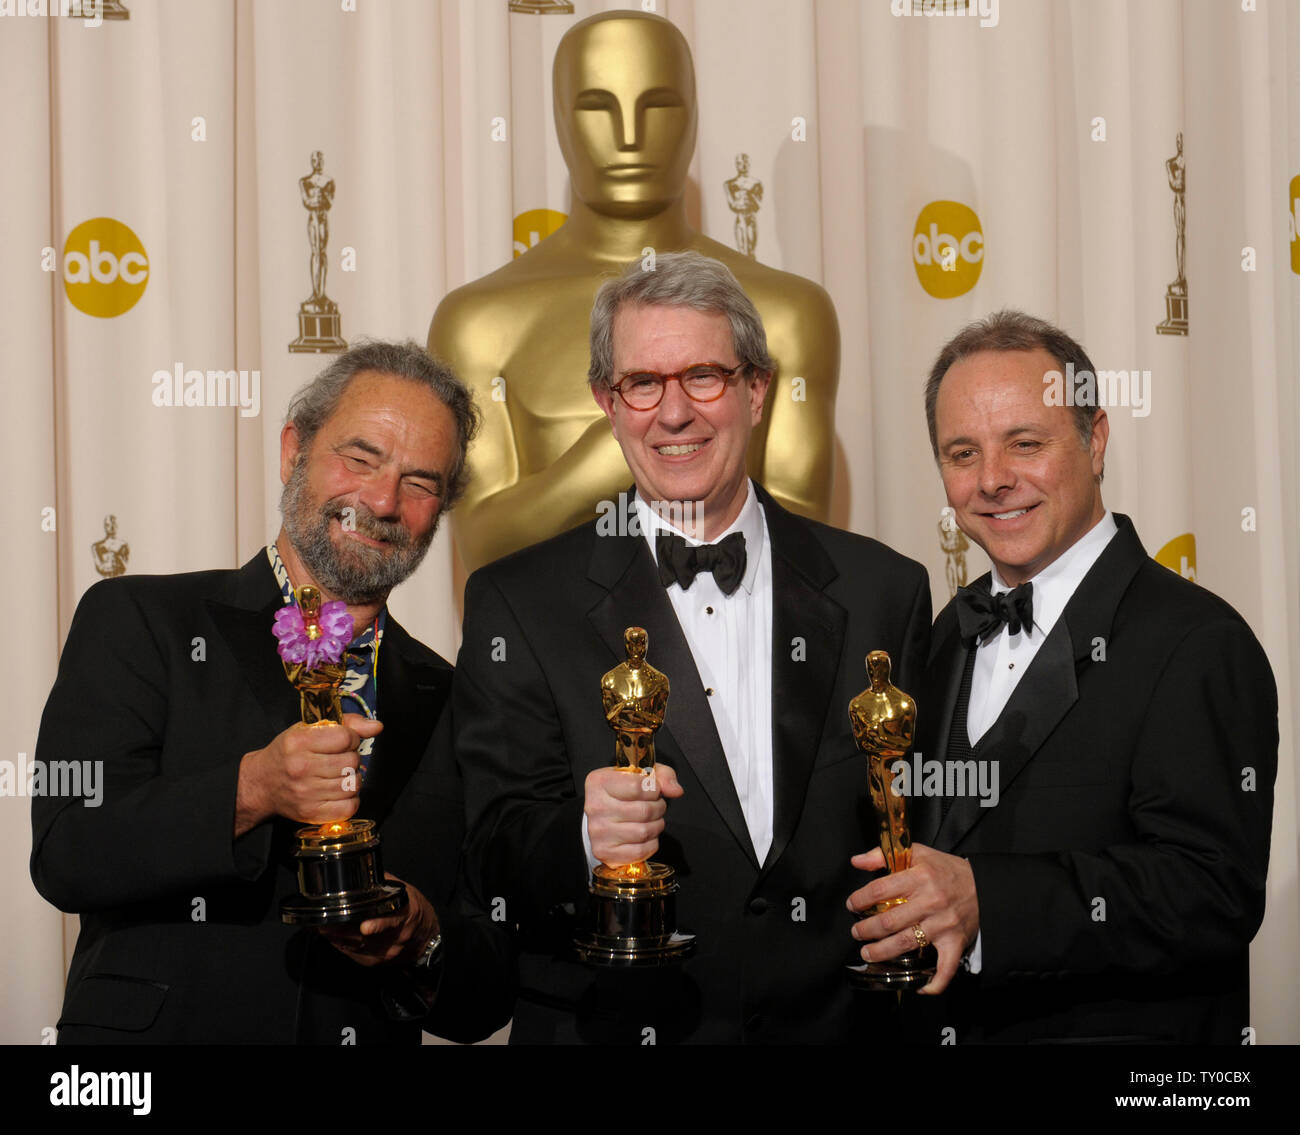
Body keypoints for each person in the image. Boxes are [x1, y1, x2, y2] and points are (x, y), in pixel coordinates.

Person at [454, 252, 930, 1043]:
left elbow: (924, 828)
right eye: (643, 383)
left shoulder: (886, 590)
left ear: (757, 388)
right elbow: (490, 857)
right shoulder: (518, 601)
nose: (674, 413)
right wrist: (583, 838)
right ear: (607, 403)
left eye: (703, 375)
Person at [30, 340, 513, 1044]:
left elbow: (485, 993)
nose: (381, 500)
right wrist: (251, 788)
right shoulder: (141, 620)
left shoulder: (459, 697)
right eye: (361, 457)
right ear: (293, 452)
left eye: (420, 481)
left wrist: (423, 935)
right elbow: (67, 851)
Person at [847, 310, 1277, 1044]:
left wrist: (990, 901)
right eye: (962, 452)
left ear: (1095, 438)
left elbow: (1212, 891)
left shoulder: (1199, 640)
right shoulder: (946, 634)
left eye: (1025, 443)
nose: (992, 480)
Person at [430, 9, 839, 572]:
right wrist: (633, 439)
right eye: (597, 108)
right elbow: (483, 547)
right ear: (558, 121)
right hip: (554, 654)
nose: (629, 137)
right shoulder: (477, 321)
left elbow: (807, 550)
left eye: (659, 107)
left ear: (694, 117)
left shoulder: (789, 312)